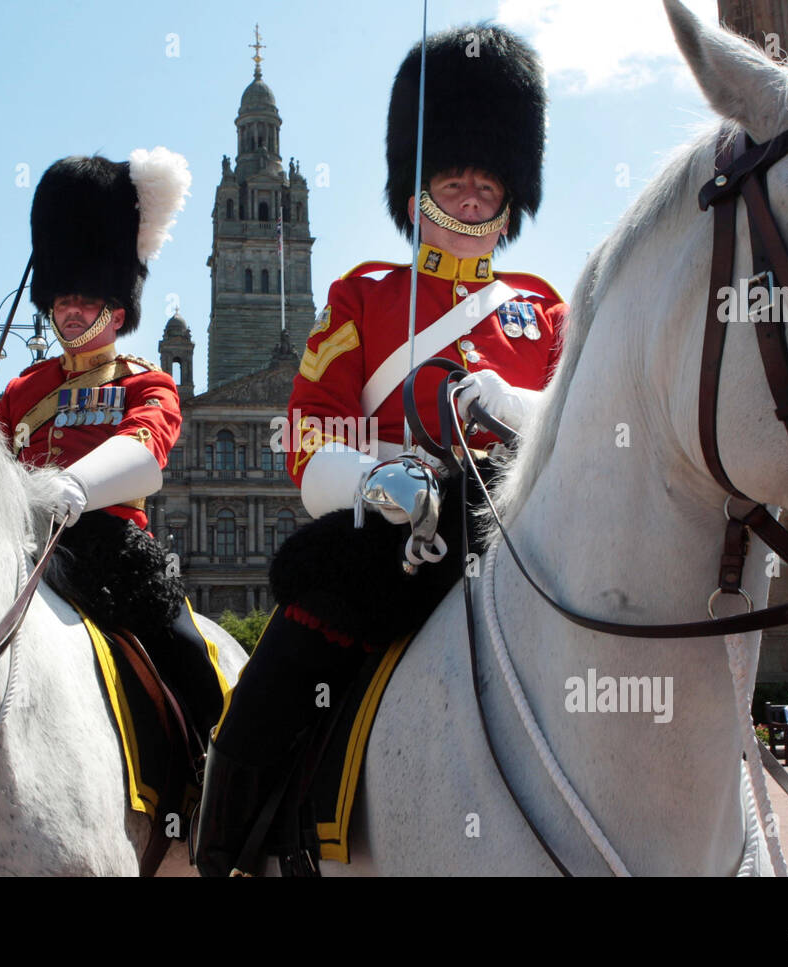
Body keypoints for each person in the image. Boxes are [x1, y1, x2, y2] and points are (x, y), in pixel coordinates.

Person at [195, 24, 565, 876]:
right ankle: (240, 849)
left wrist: (528, 408)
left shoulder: (543, 307)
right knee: (277, 678)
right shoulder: (366, 298)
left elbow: (590, 415)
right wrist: (376, 477)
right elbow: (309, 430)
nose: (471, 192)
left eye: (487, 179)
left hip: (526, 531)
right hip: (406, 538)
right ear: (415, 195)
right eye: (451, 177)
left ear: (511, 195)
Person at [0, 151, 225, 740]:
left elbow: (145, 454)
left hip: (110, 545)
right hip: (18, 546)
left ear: (116, 311)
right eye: (62, 300)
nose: (70, 311)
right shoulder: (24, 388)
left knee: (189, 657)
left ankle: (204, 788)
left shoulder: (145, 382)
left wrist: (73, 487)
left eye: (87, 300)